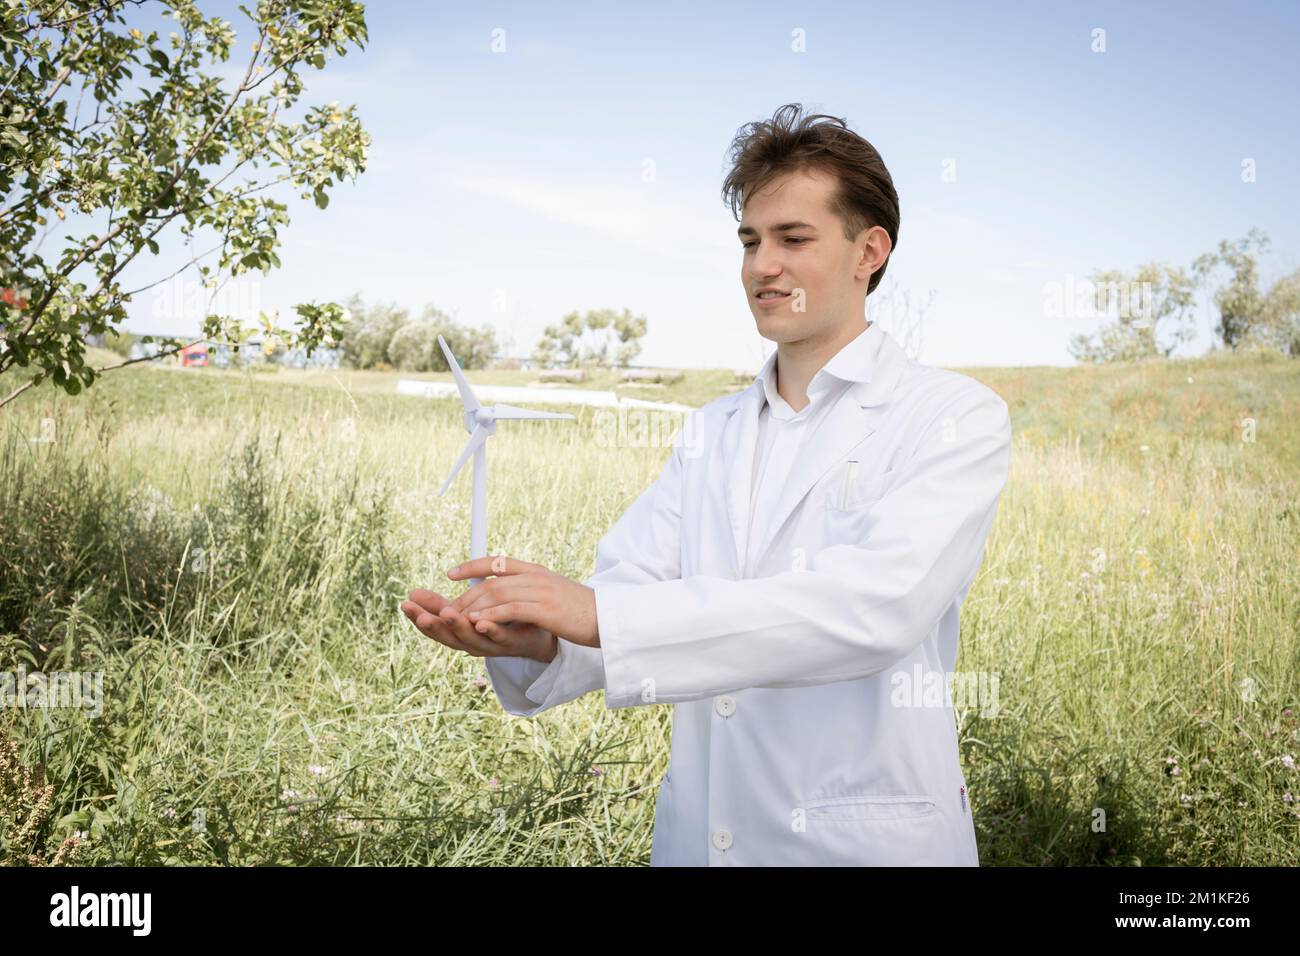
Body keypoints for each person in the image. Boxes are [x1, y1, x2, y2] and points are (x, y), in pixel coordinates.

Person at [403, 103, 1011, 866]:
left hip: (864, 839)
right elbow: (632, 591)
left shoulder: (952, 416)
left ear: (869, 251)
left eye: (794, 239)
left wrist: (601, 616)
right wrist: (544, 642)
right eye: (751, 241)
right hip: (704, 838)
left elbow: (874, 608)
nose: (762, 266)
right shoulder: (711, 430)